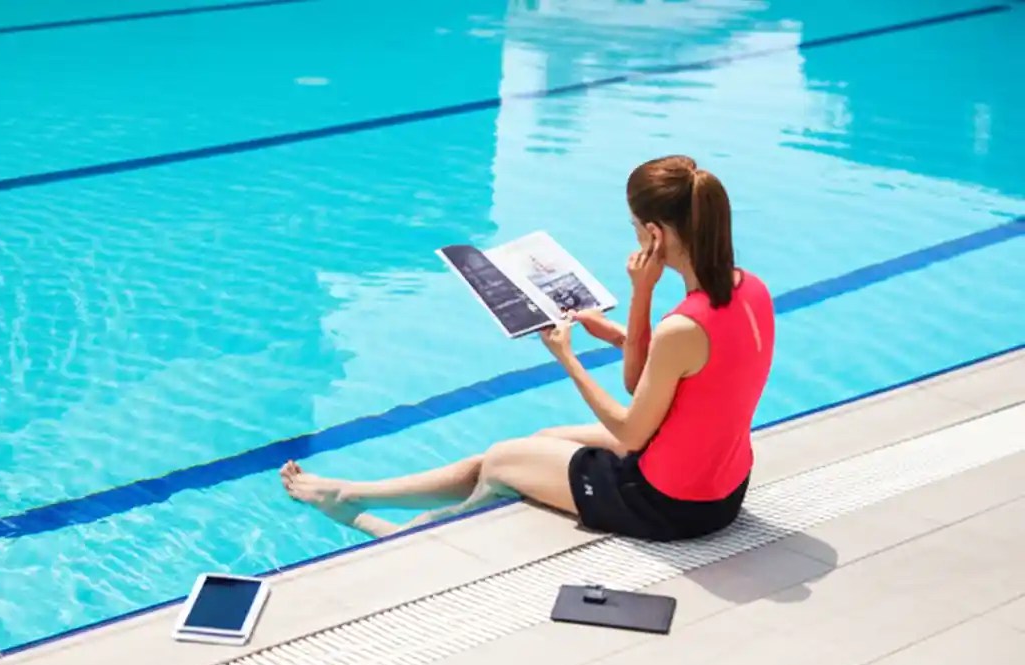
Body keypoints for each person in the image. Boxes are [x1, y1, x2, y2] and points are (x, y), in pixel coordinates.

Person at [280, 155, 775, 542]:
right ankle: (355, 493)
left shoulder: (680, 330)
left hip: (668, 505)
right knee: (543, 438)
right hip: (722, 488)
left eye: (633, 227)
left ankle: (412, 529)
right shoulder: (750, 289)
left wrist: (568, 358)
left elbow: (630, 429)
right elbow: (693, 372)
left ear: (653, 234)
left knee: (502, 462)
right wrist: (628, 323)